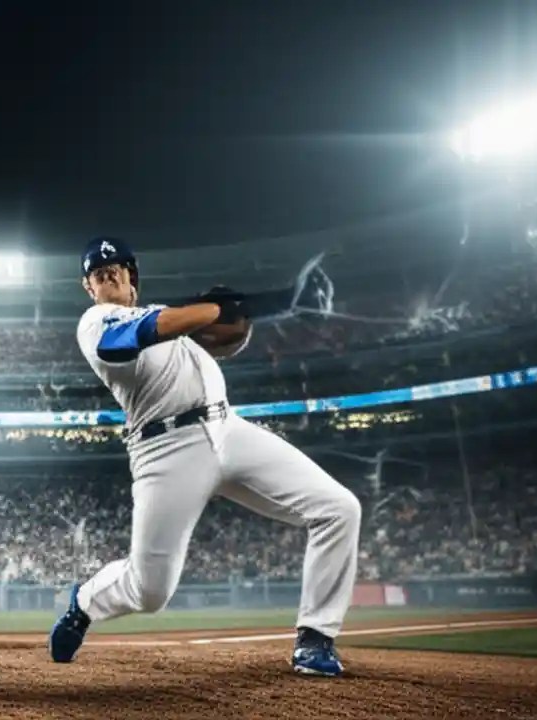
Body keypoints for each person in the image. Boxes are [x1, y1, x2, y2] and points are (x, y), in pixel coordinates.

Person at [48, 237, 361, 677]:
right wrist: (223, 306)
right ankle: (85, 601)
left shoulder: (173, 324)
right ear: (89, 288)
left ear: (132, 276)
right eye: (99, 274)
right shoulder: (95, 322)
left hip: (229, 429)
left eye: (117, 268)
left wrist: (271, 305)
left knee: (339, 508)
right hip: (166, 451)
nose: (109, 275)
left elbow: (222, 334)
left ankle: (315, 637)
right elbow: (132, 337)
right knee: (152, 591)